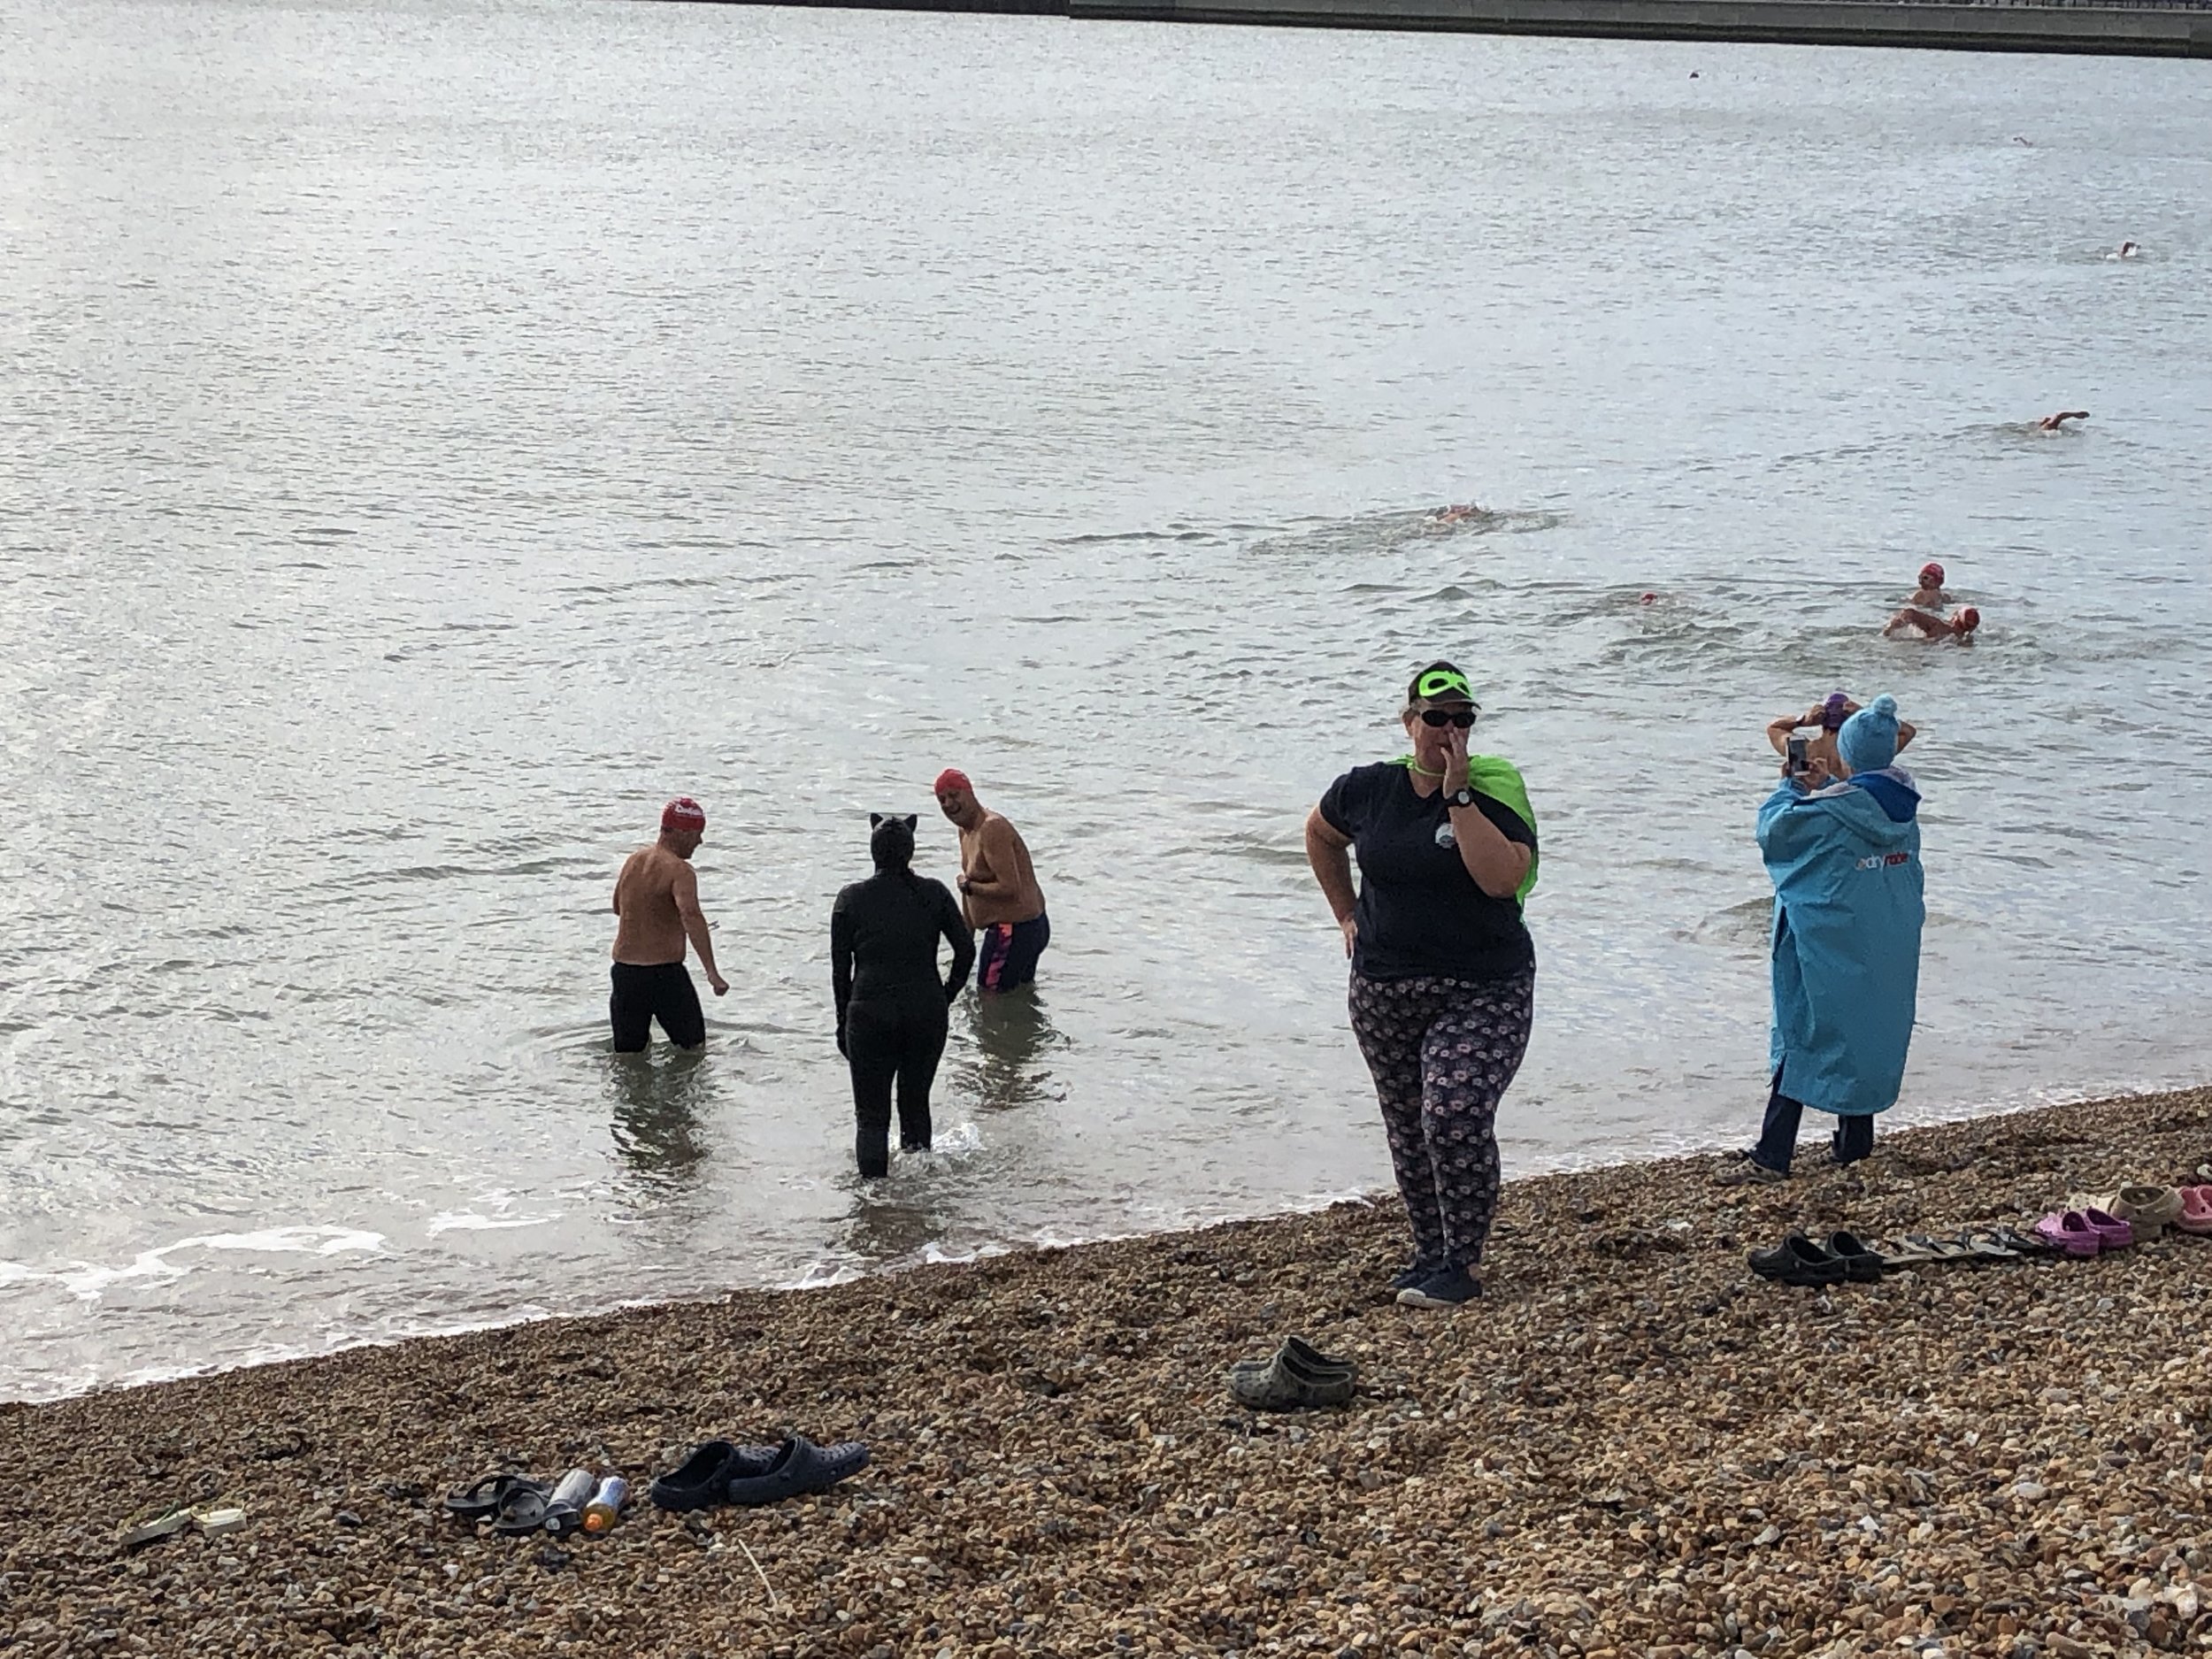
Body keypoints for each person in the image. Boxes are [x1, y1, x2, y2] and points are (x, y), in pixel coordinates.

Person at [1303, 661, 1539, 1310]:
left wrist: (1458, 795)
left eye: (1463, 719)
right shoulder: (1368, 788)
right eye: (1436, 718)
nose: (1449, 731)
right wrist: (1345, 914)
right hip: (1385, 984)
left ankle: (1461, 1262)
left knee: (1454, 1111)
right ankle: (1429, 1252)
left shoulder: (1495, 788)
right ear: (1410, 723)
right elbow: (1320, 835)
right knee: (1409, 1124)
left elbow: (1500, 879)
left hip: (1484, 984)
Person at [1719, 696, 1924, 1185]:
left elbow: (1776, 832)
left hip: (1827, 942)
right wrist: (1828, 787)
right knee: (1864, 1030)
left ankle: (1773, 1153)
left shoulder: (1831, 812)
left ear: (1846, 753)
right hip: (1883, 942)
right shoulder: (1901, 807)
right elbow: (1860, 810)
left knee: (1802, 1028)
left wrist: (1789, 787)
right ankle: (1855, 1144)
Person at [830, 814, 974, 1178]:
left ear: (873, 852)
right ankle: (917, 1192)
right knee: (915, 1104)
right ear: (911, 852)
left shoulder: (850, 899)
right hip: (925, 1011)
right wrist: (947, 994)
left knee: (871, 1117)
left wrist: (842, 1021)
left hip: (869, 1013)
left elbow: (840, 971)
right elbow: (966, 951)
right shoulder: (934, 893)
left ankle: (873, 1201)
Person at [609, 796, 729, 1052]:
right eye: (697, 834)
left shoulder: (633, 861)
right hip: (664, 976)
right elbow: (691, 916)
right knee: (693, 1049)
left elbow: (618, 907)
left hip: (624, 974)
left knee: (630, 1054)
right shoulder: (680, 871)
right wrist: (712, 972)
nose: (700, 841)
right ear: (681, 833)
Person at [935, 769, 1049, 994]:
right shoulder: (966, 831)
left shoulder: (991, 828)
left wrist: (969, 887)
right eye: (942, 800)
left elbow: (1010, 888)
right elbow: (969, 888)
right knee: (1019, 996)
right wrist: (964, 942)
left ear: (970, 793)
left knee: (989, 1000)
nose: (949, 803)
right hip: (1023, 930)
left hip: (1013, 930)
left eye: (954, 795)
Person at [1766, 693, 1916, 775]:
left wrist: (1803, 720)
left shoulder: (1802, 751)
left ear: (1822, 722)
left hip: (1811, 816)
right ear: (1851, 723)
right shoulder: (1865, 753)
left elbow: (1774, 728)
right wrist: (1867, 716)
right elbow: (1908, 731)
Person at [1884, 605, 1980, 644]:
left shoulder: (1939, 626)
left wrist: (1888, 631)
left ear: (1956, 617)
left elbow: (1909, 613)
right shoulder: (1965, 641)